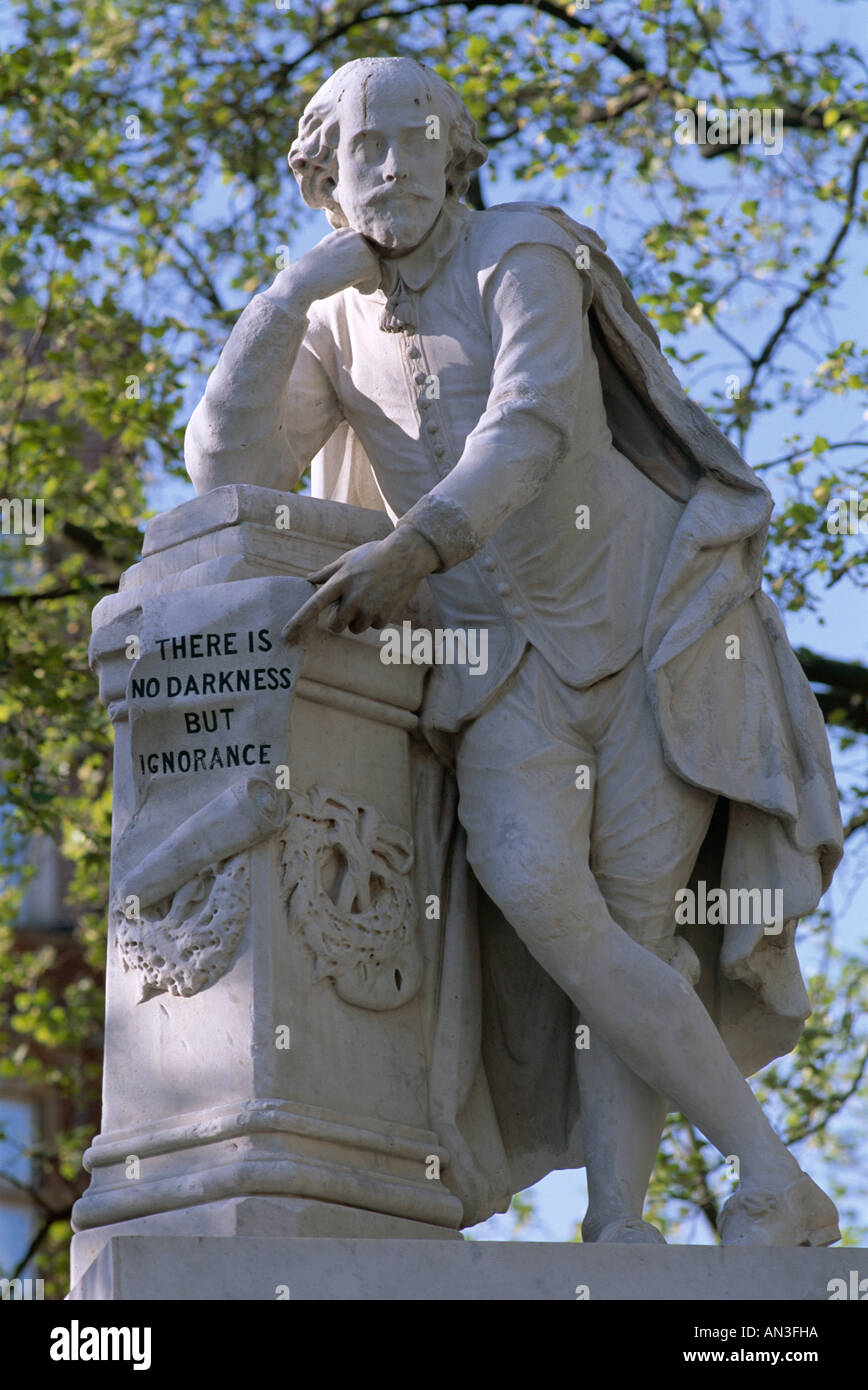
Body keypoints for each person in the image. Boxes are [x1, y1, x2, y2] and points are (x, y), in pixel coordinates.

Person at [185, 56, 843, 1246]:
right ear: (325, 172)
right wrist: (285, 298)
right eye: (361, 148)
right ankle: (771, 1172)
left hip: (646, 633)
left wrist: (418, 545)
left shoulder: (525, 248)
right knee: (544, 897)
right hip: (489, 664)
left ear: (455, 152)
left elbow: (529, 421)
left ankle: (619, 1225)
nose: (389, 165)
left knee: (629, 936)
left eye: (411, 139)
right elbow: (226, 473)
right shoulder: (332, 319)